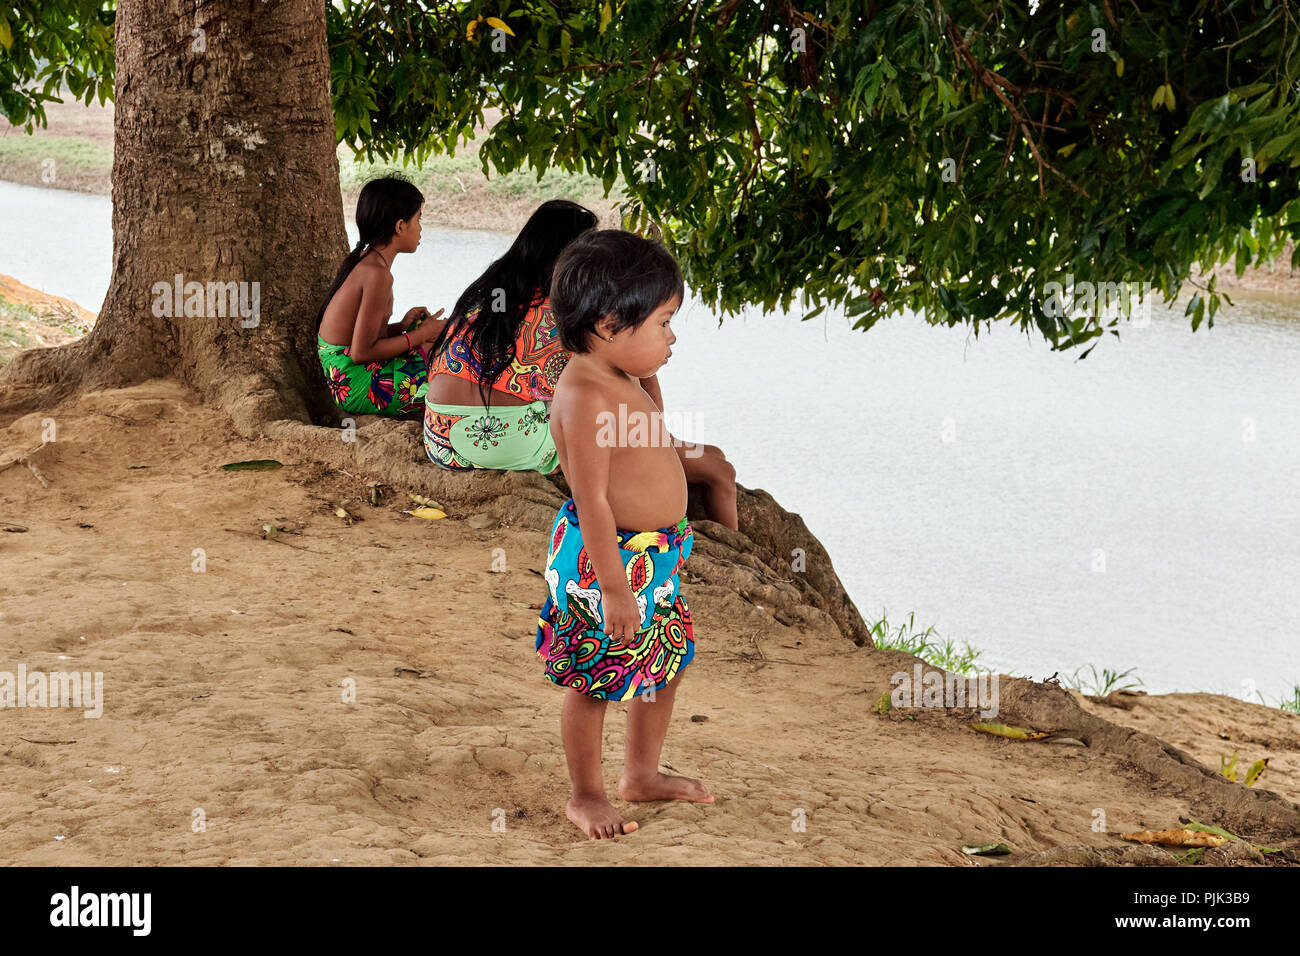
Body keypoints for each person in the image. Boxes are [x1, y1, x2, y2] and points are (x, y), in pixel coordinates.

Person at [535, 229, 715, 841]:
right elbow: (592, 500)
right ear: (610, 325)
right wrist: (614, 589)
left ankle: (641, 774)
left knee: (666, 661)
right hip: (607, 563)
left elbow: (649, 432)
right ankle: (585, 794)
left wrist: (650, 375)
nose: (673, 337)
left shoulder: (619, 373)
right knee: (594, 681)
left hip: (654, 557)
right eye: (664, 323)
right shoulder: (585, 395)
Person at [424, 200, 739, 529]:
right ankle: (725, 538)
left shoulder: (491, 292)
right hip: (496, 438)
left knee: (705, 455)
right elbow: (632, 387)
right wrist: (662, 440)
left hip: (441, 436)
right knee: (713, 465)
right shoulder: (567, 313)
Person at [317, 175, 445, 417]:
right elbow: (361, 353)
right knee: (449, 369)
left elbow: (363, 337)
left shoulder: (367, 261)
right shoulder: (377, 275)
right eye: (418, 219)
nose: (420, 228)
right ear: (400, 226)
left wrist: (403, 327)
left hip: (347, 377)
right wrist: (421, 334)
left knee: (436, 345)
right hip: (356, 386)